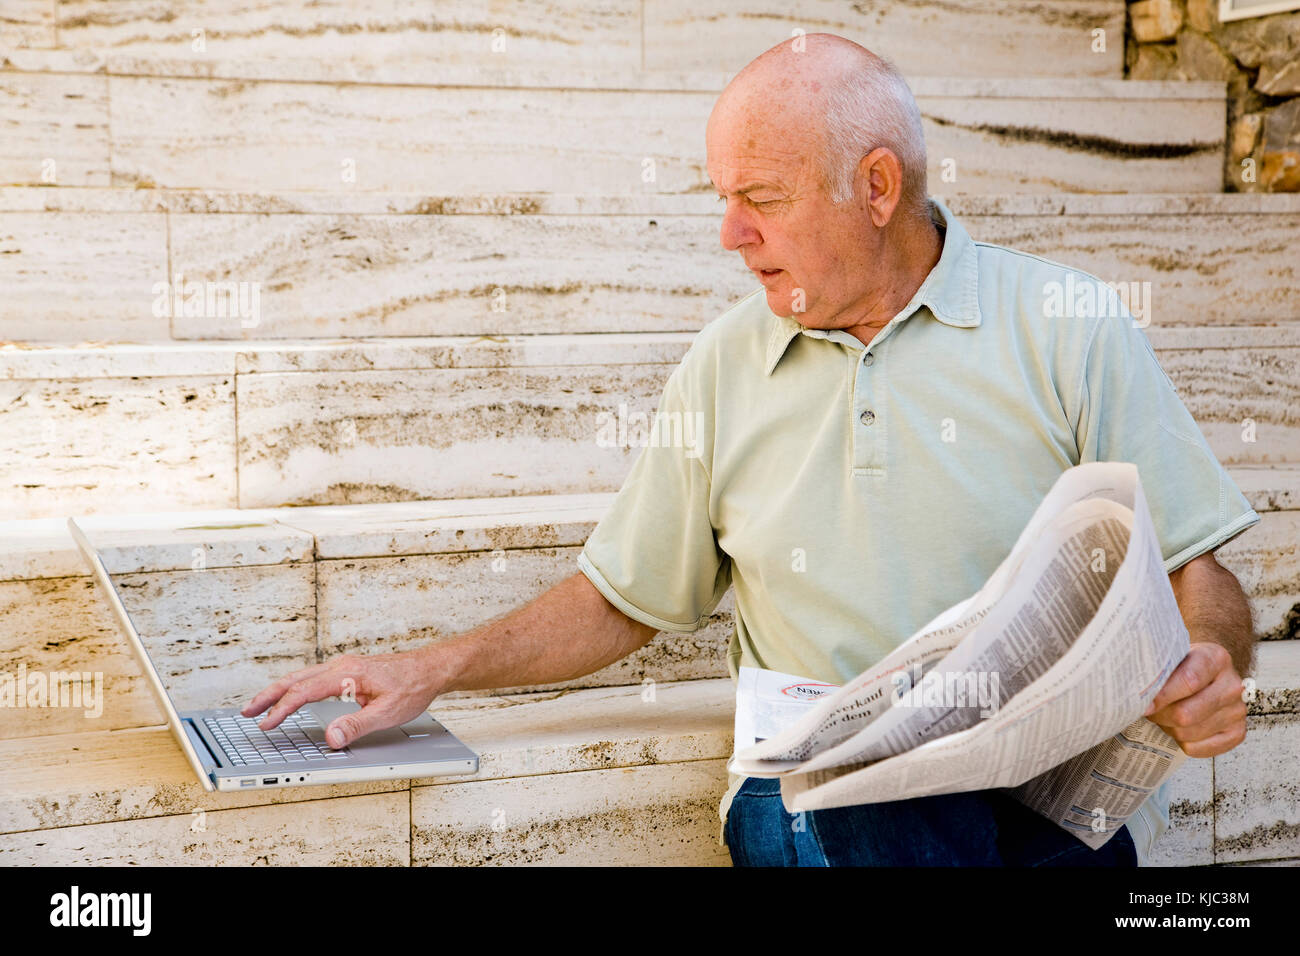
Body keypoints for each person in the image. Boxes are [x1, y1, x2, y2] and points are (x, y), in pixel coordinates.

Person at [243, 33, 1259, 867]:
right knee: (890, 823)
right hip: (824, 783)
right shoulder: (725, 366)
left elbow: (1193, 569)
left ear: (874, 185)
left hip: (1036, 777)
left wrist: (1213, 661)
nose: (729, 233)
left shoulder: (1067, 323)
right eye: (719, 197)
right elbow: (621, 596)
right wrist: (434, 665)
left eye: (760, 198)